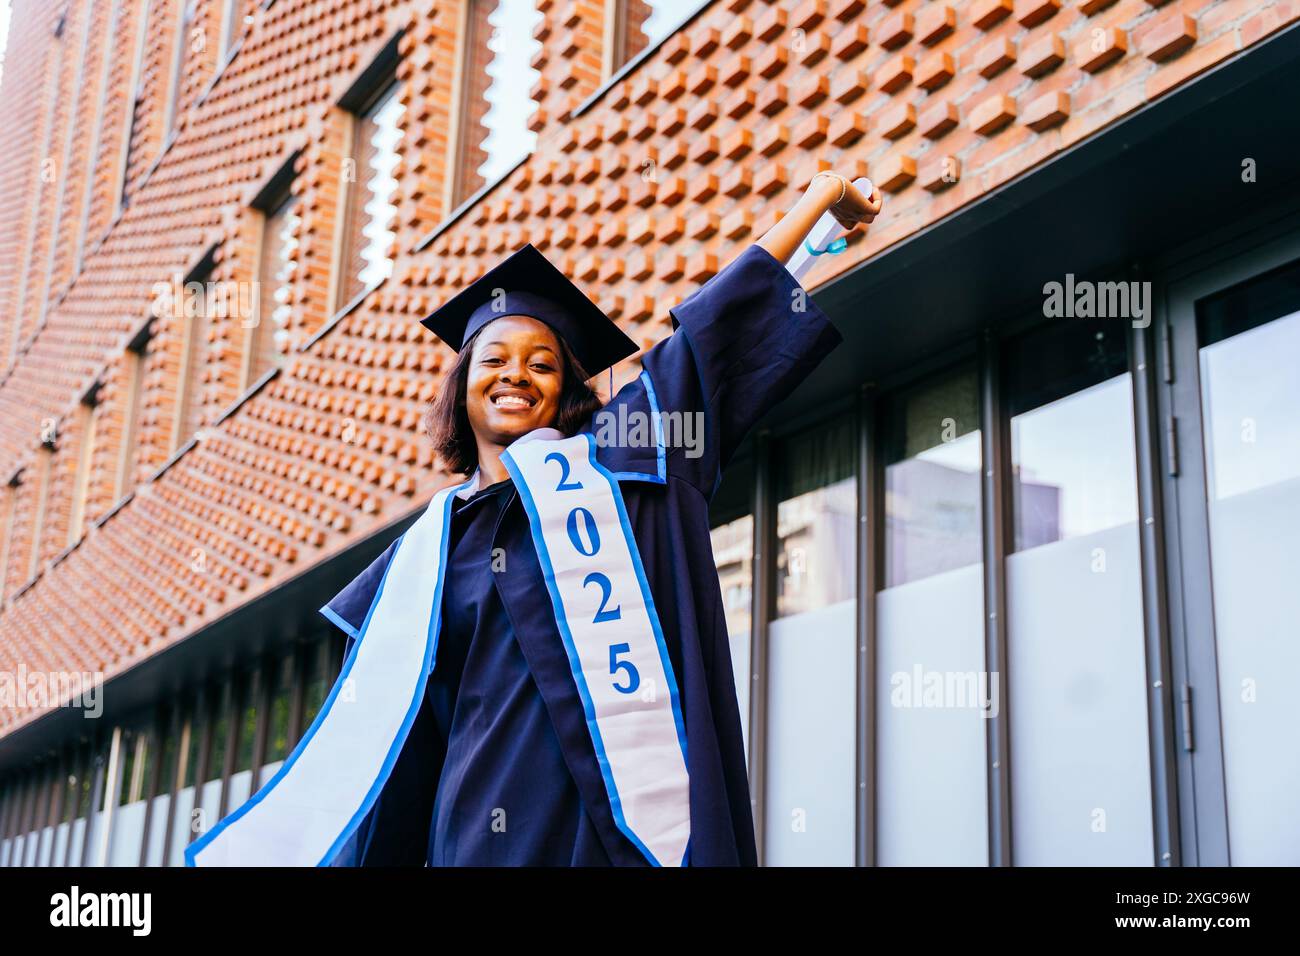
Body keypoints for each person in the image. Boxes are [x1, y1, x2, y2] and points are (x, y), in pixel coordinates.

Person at [185, 170, 881, 867]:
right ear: (461, 392)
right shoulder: (417, 562)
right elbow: (393, 763)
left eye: (542, 364)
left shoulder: (621, 465)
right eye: (495, 359)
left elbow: (710, 341)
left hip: (614, 835)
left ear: (565, 393)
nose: (517, 374)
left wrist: (817, 207)